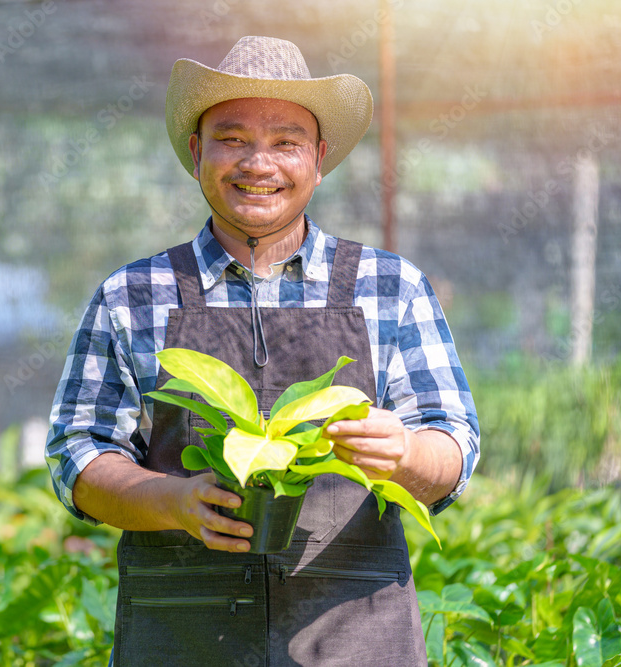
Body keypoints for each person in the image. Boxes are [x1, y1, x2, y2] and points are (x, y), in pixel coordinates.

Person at [45, 36, 479, 666]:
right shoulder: (132, 295)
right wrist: (169, 501)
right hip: (183, 635)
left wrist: (405, 452)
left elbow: (455, 443)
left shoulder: (392, 286)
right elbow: (76, 453)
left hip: (356, 633)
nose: (258, 162)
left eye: (285, 141)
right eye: (232, 138)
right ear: (196, 154)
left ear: (319, 158)